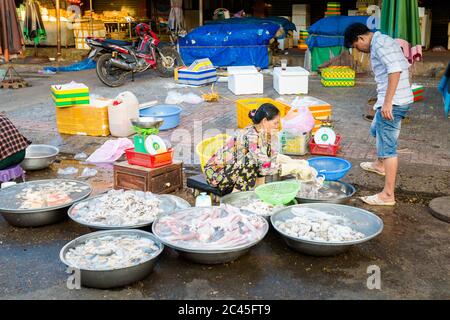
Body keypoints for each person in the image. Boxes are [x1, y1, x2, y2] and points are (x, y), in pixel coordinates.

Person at [344, 23, 413, 206]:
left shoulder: (380, 45)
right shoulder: (382, 41)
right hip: (397, 99)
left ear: (361, 38)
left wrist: (388, 102)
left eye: (355, 46)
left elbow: (395, 71)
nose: (357, 50)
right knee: (376, 129)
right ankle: (379, 165)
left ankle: (388, 195)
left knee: (388, 147)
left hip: (394, 102)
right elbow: (404, 67)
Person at [204, 104, 312, 194]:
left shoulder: (260, 131)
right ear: (264, 121)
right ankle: (236, 197)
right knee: (251, 165)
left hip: (228, 169)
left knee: (257, 162)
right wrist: (294, 168)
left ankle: (259, 192)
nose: (277, 126)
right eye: (275, 123)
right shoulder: (252, 138)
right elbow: (265, 167)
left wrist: (292, 161)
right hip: (216, 175)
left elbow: (268, 155)